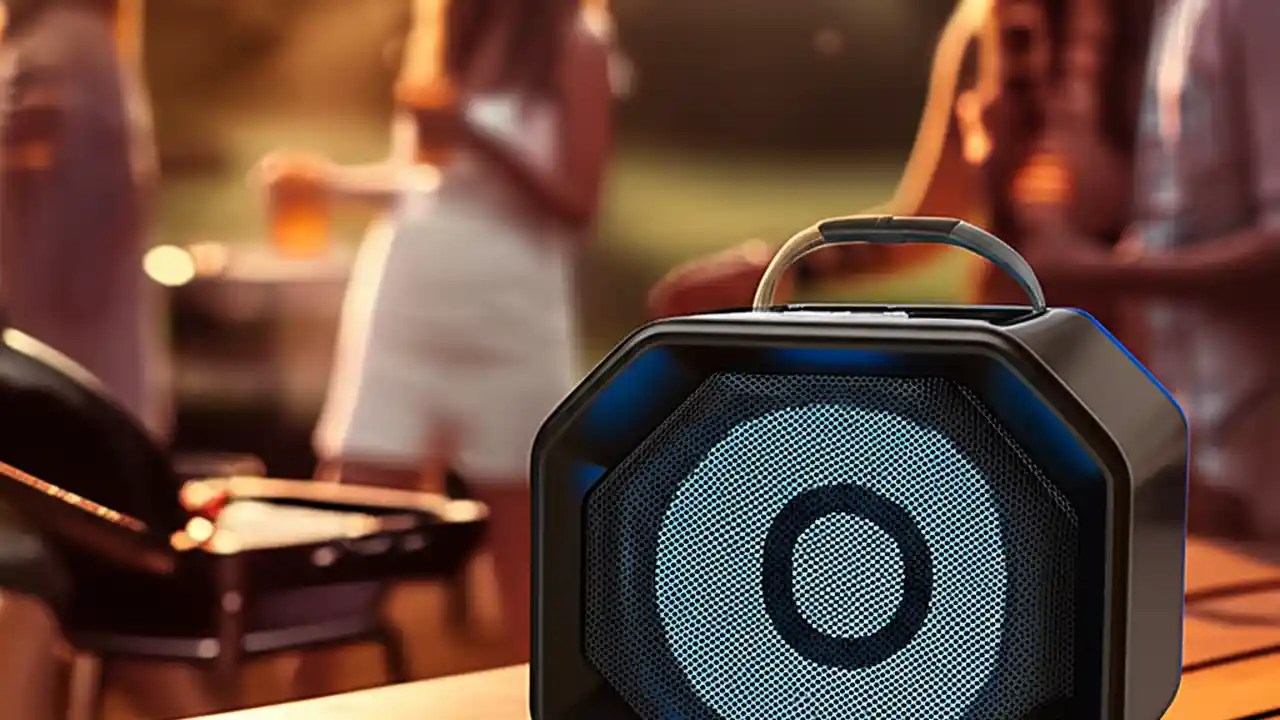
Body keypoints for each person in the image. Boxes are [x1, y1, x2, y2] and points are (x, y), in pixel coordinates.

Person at [259, 0, 612, 675]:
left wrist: (478, 137)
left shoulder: (576, 43)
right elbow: (431, 185)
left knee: (531, 563)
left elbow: (580, 205)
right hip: (406, 306)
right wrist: (333, 184)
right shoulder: (448, 30)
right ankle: (302, 700)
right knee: (347, 532)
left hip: (511, 320)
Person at [648, 0, 1154, 336]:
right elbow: (925, 221)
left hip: (1150, 374)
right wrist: (783, 267)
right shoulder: (983, 31)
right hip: (1013, 364)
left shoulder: (1174, 28)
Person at [1027, 0, 1280, 541]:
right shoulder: (1178, 13)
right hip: (1206, 450)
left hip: (1262, 453)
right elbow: (1182, 221)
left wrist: (1096, 272)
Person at [0, 0, 167, 438]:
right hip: (74, 345)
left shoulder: (59, 47)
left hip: (58, 346)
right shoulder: (82, 45)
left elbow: (24, 175)